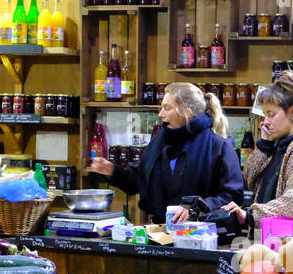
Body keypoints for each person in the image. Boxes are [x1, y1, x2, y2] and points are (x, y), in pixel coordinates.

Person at [88, 82, 244, 225]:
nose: (161, 114)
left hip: (202, 235)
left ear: (187, 112)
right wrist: (113, 171)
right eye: (161, 108)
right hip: (160, 232)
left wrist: (198, 207)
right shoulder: (160, 141)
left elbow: (231, 196)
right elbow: (141, 179)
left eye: (167, 108)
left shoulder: (219, 146)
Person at [221, 70, 293, 227]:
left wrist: (252, 215)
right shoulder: (279, 145)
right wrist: (264, 145)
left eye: (271, 114)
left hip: (290, 245)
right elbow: (250, 179)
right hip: (272, 239)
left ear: (292, 113)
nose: (266, 122)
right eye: (264, 115)